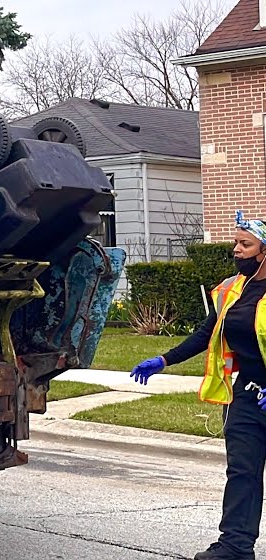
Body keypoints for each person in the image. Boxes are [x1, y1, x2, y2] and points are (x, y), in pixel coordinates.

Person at [131, 211, 266, 560]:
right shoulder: (231, 290)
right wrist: (164, 360)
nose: (236, 250)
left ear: (264, 252)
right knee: (242, 473)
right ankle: (235, 546)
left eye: (245, 244)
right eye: (236, 242)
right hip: (248, 395)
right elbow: (207, 334)